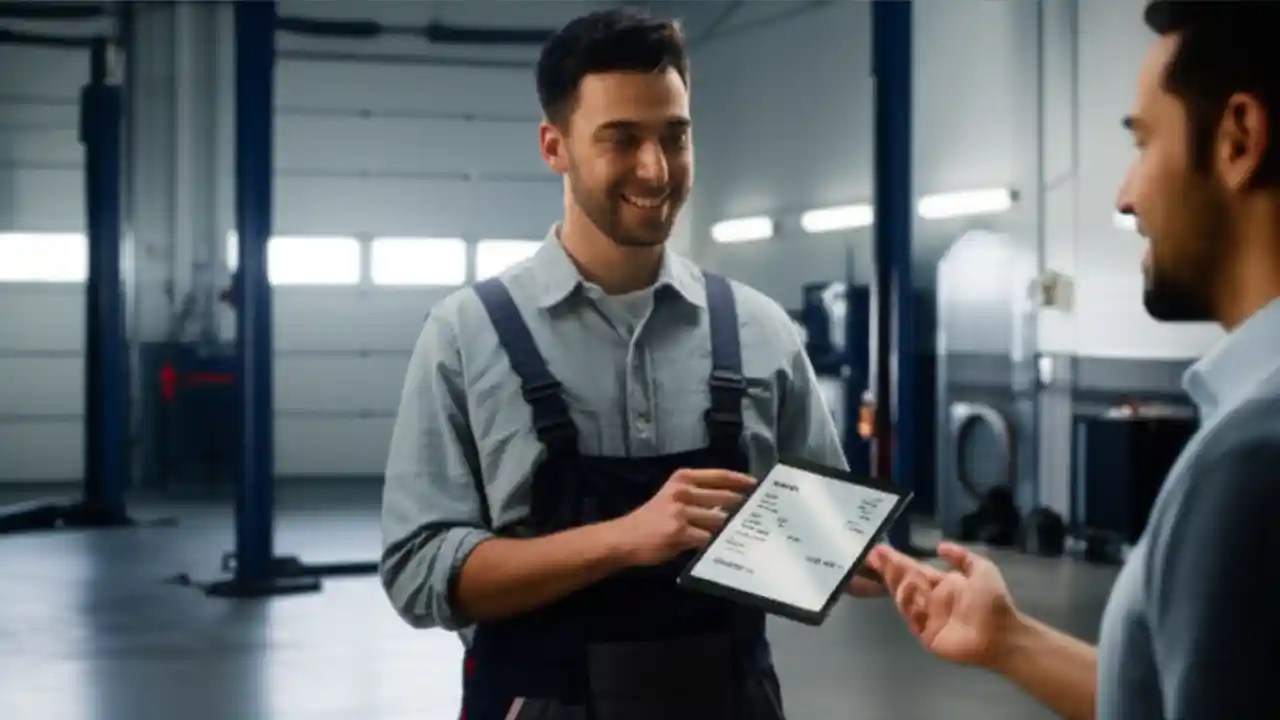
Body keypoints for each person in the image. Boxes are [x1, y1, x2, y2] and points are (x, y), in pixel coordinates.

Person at [379, 8, 878, 719]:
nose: (656, 169)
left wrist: (874, 563)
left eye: (675, 136)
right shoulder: (464, 337)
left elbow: (822, 544)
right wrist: (624, 539)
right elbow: (419, 571)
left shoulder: (763, 332)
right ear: (554, 147)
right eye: (622, 139)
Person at [869, 2, 1280, 719]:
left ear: (1238, 139)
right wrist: (1010, 642)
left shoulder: (1250, 460)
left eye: (1143, 143)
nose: (1126, 196)